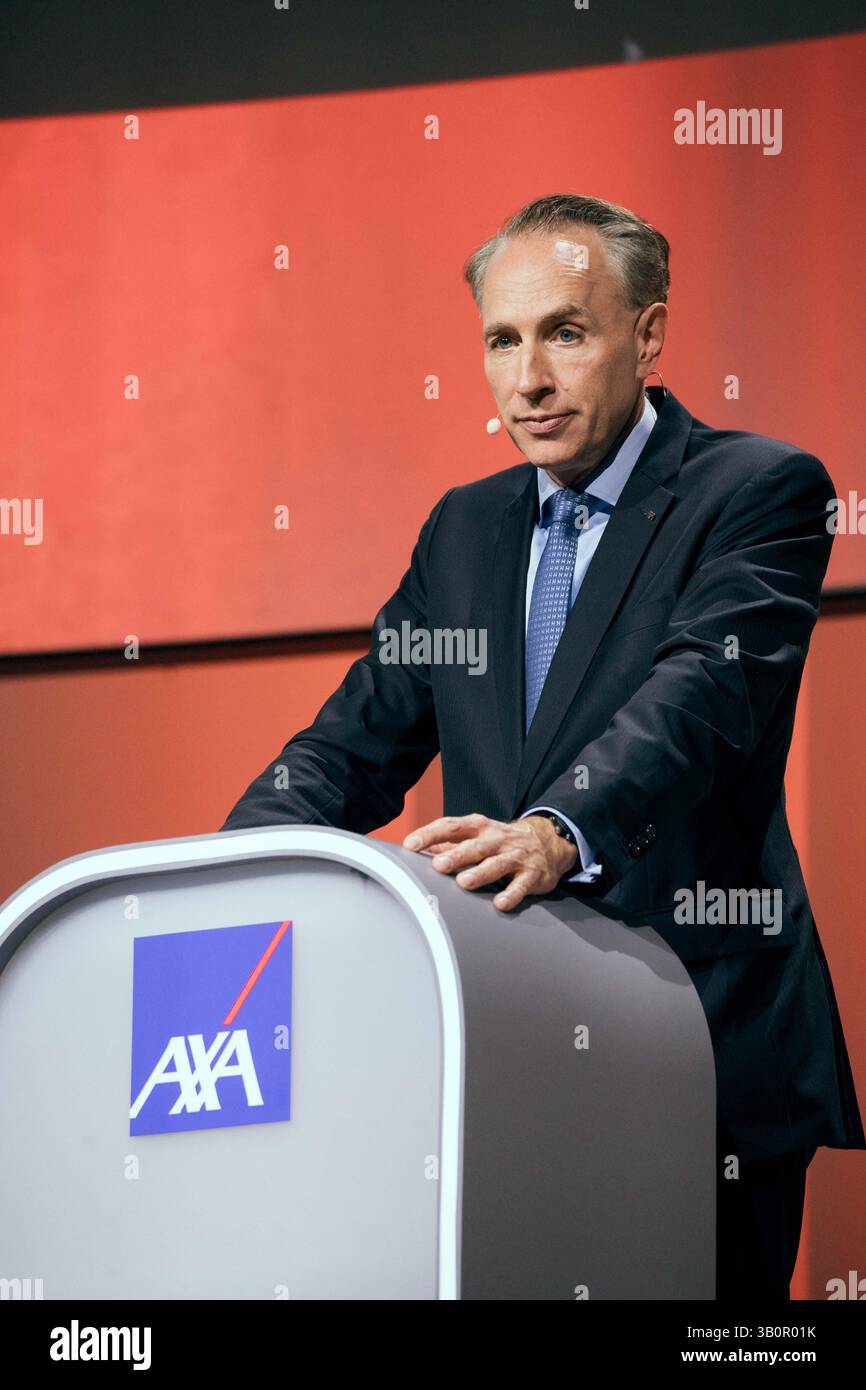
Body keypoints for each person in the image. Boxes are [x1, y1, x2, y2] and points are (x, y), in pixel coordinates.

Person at [220, 192, 865, 1299]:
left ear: (647, 336)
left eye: (564, 332)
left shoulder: (758, 489)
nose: (527, 380)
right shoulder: (464, 526)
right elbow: (354, 739)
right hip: (503, 1058)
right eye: (501, 341)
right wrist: (225, 872)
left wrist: (560, 831)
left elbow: (698, 698)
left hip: (698, 1050)